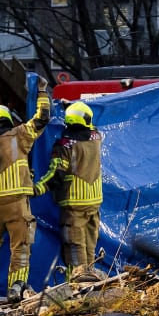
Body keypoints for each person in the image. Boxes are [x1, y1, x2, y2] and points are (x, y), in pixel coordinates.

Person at [0, 79, 50, 302]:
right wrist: (41, 91)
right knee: (20, 244)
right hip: (16, 199)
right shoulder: (19, 135)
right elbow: (42, 118)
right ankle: (16, 286)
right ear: (8, 119)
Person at [34, 101, 104, 283]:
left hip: (74, 205)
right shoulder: (96, 138)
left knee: (74, 248)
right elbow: (89, 126)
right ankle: (91, 284)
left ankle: (76, 285)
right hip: (94, 203)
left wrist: (35, 189)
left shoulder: (64, 145)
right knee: (90, 247)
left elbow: (55, 175)